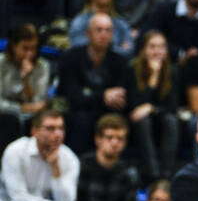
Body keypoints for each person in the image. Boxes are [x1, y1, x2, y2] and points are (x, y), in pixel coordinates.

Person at [58, 13, 130, 155]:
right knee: (82, 119)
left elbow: (121, 97)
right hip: (77, 111)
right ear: (88, 33)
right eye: (99, 29)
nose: (104, 34)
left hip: (108, 111)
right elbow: (74, 97)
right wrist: (103, 96)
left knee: (119, 120)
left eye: (108, 30)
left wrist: (92, 96)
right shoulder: (70, 57)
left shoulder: (120, 61)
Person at [127, 30, 180, 182]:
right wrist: (152, 79)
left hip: (162, 118)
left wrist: (152, 107)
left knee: (171, 120)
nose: (157, 51)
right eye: (152, 47)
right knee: (143, 120)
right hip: (137, 121)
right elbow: (134, 106)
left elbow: (172, 106)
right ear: (143, 50)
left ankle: (167, 174)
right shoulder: (132, 69)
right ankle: (153, 173)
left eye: (161, 47)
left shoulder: (173, 71)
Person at [0, 24, 50, 151]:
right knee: (9, 121)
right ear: (13, 46)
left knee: (40, 122)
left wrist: (25, 79)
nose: (29, 54)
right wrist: (20, 108)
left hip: (30, 115)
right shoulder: (1, 64)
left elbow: (38, 102)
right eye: (25, 48)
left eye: (33, 49)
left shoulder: (42, 66)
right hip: (5, 114)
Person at [68, 0, 135, 56]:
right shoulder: (80, 22)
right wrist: (116, 48)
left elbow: (129, 53)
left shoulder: (121, 23)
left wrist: (97, 46)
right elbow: (80, 51)